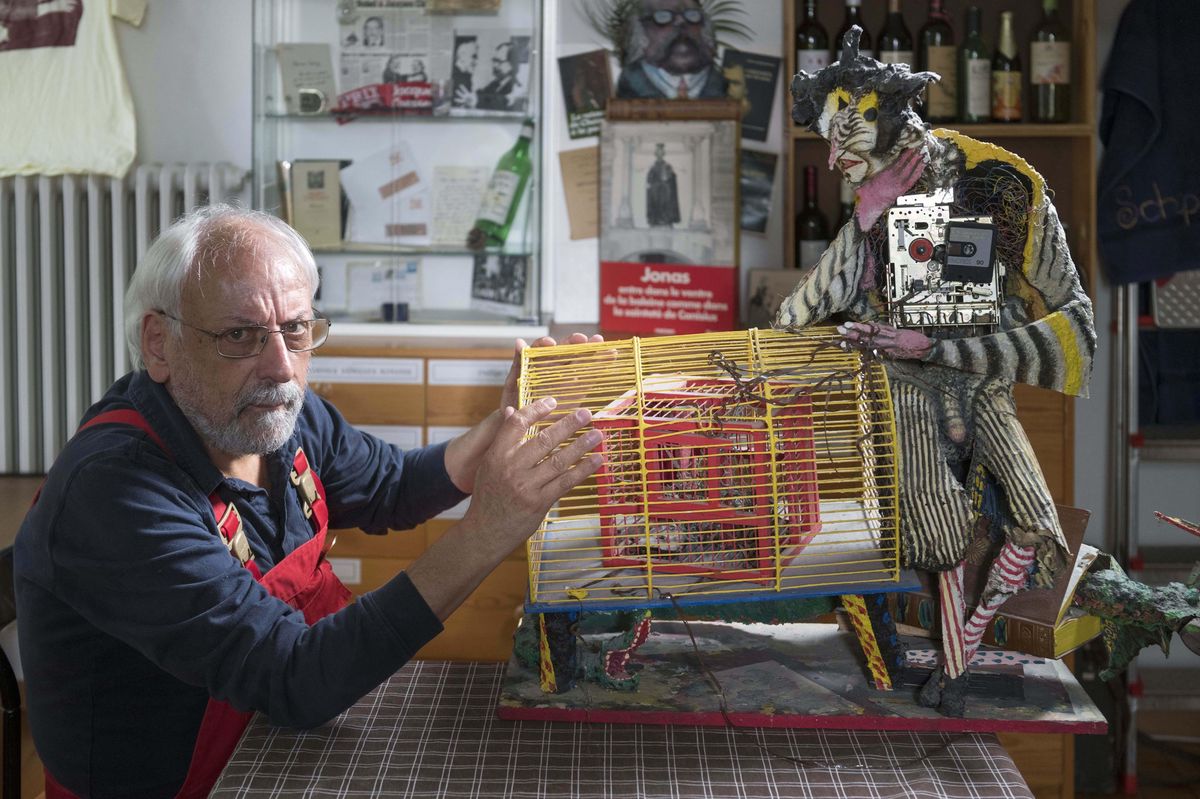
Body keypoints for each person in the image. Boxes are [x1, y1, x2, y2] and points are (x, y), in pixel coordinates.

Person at [14, 205, 605, 797]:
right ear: (159, 343)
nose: (281, 369)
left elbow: (390, 486)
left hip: (275, 743)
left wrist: (510, 424)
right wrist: (487, 530)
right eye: (239, 335)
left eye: (296, 329)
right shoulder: (116, 492)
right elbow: (293, 676)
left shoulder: (273, 416)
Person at [779, 27, 1095, 715]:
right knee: (941, 540)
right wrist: (868, 215)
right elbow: (796, 315)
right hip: (905, 390)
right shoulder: (870, 200)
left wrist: (945, 344)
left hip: (979, 377)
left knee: (1039, 527)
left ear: (890, 119)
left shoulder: (995, 182)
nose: (832, 159)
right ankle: (954, 664)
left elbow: (1067, 311)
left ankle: (966, 644)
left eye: (845, 138)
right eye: (826, 143)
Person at [615, 0, 727, 100]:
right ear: (641, 32)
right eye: (663, 16)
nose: (681, 22)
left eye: (692, 15)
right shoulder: (631, 80)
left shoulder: (717, 82)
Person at [476, 41, 520, 111]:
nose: (494, 65)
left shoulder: (515, 88)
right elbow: (483, 94)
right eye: (494, 60)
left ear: (512, 65)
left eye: (499, 61)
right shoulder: (495, 83)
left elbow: (500, 104)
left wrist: (476, 101)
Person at [645, 143, 680, 228]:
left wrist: (669, 177)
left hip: (665, 193)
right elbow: (649, 182)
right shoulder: (652, 167)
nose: (659, 154)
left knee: (665, 201)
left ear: (663, 153)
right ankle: (655, 220)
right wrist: (651, 184)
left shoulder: (667, 166)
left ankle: (666, 219)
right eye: (658, 152)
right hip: (655, 193)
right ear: (656, 154)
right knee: (655, 202)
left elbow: (672, 180)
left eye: (661, 152)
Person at [451, 37, 478, 108]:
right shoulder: (457, 79)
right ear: (462, 56)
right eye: (474, 56)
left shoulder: (465, 77)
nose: (476, 62)